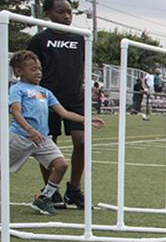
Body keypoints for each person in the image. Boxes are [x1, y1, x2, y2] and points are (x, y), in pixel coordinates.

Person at [8, 50, 104, 214]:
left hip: (42, 139)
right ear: (19, 71)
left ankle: (44, 198)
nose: (38, 72)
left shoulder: (45, 92)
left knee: (61, 165)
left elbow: (64, 113)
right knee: (3, 169)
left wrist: (87, 119)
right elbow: (16, 112)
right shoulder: (17, 89)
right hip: (20, 137)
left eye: (39, 69)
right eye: (33, 69)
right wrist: (30, 130)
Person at [26, 0, 88, 209]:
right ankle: (51, 191)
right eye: (60, 12)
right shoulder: (39, 40)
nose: (66, 16)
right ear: (48, 14)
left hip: (74, 98)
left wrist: (80, 85)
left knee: (82, 142)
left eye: (69, 12)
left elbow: (82, 65)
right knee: (47, 144)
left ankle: (74, 189)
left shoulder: (80, 38)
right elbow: (29, 68)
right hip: (46, 99)